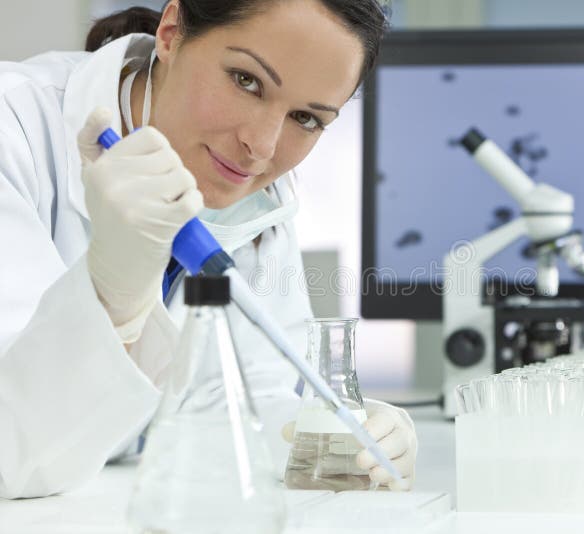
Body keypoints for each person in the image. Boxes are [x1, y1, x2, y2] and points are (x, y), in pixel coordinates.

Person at [0, 0, 417, 499]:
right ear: (172, 33)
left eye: (305, 118)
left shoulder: (258, 202)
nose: (261, 146)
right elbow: (13, 454)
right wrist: (112, 294)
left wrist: (336, 433)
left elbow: (248, 402)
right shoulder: (15, 131)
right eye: (246, 80)